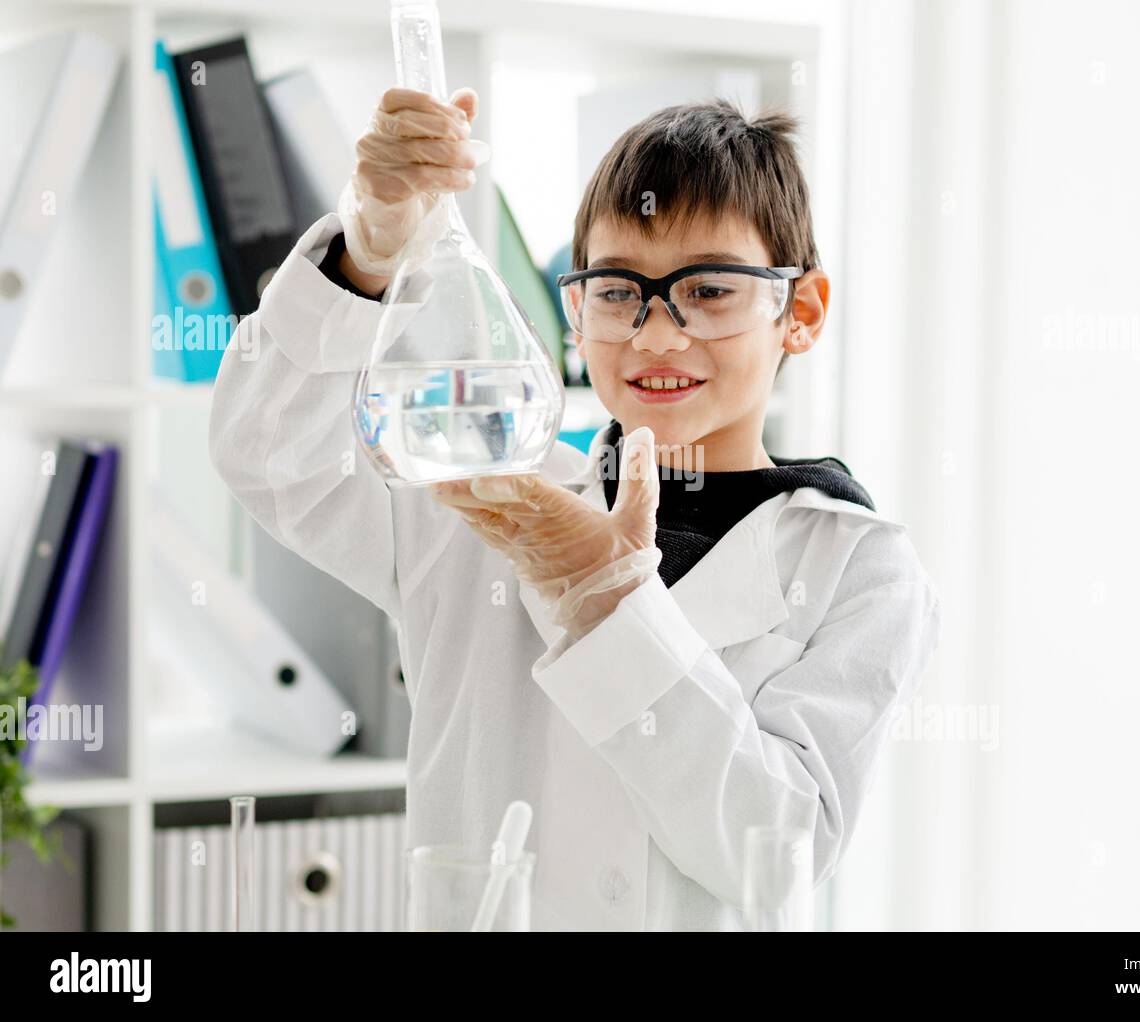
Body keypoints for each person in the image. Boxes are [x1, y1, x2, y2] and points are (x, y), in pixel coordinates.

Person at [209, 85, 940, 931]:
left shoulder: (863, 570)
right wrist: (367, 258)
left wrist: (610, 600)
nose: (656, 335)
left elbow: (774, 849)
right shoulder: (489, 499)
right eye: (618, 290)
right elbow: (266, 456)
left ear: (799, 311)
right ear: (573, 310)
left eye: (709, 290)